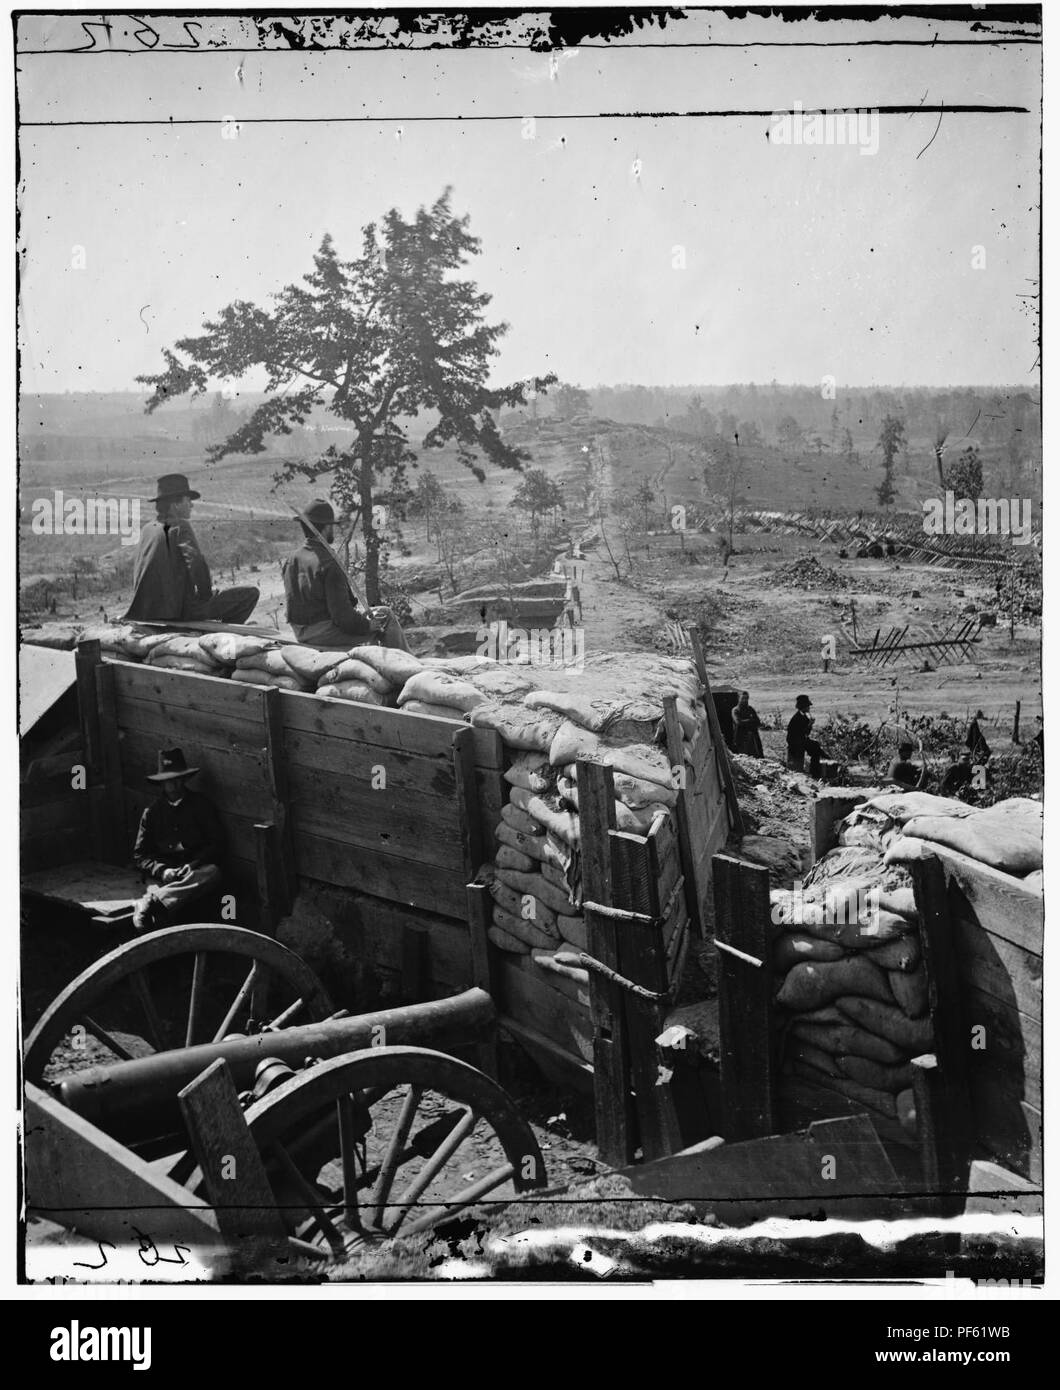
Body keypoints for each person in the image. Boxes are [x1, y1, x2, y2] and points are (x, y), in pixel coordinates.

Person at [124, 474, 259, 624]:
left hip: (145, 611)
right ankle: (228, 635)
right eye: (188, 501)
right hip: (178, 611)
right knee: (250, 594)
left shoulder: (147, 529)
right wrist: (206, 595)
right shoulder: (180, 525)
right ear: (176, 504)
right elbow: (196, 563)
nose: (192, 505)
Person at [282, 498, 410, 651]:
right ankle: (407, 666)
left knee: (375, 615)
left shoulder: (291, 559)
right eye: (331, 526)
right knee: (386, 617)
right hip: (323, 634)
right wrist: (367, 625)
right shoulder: (329, 563)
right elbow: (343, 617)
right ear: (326, 527)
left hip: (300, 632)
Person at [132, 748, 226, 932]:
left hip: (195, 872)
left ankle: (152, 900)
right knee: (156, 912)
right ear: (161, 784)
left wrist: (193, 864)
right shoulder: (152, 813)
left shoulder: (201, 805)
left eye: (177, 779)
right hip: (165, 876)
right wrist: (162, 870)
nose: (174, 785)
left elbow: (218, 844)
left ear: (184, 779)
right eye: (168, 781)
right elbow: (140, 856)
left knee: (213, 873)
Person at [786, 694, 824, 777]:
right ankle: (815, 773)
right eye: (807, 706)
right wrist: (809, 724)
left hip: (800, 740)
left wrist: (809, 724)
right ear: (804, 706)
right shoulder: (797, 718)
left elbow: (806, 733)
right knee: (815, 748)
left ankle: (816, 771)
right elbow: (801, 733)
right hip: (795, 742)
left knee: (816, 747)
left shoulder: (803, 716)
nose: (809, 708)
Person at [731, 690, 764, 758]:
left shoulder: (750, 709)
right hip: (741, 739)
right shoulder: (735, 710)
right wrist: (750, 720)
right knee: (744, 758)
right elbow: (738, 722)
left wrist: (747, 722)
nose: (745, 700)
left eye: (746, 698)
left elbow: (757, 722)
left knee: (757, 757)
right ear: (738, 699)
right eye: (743, 698)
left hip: (753, 738)